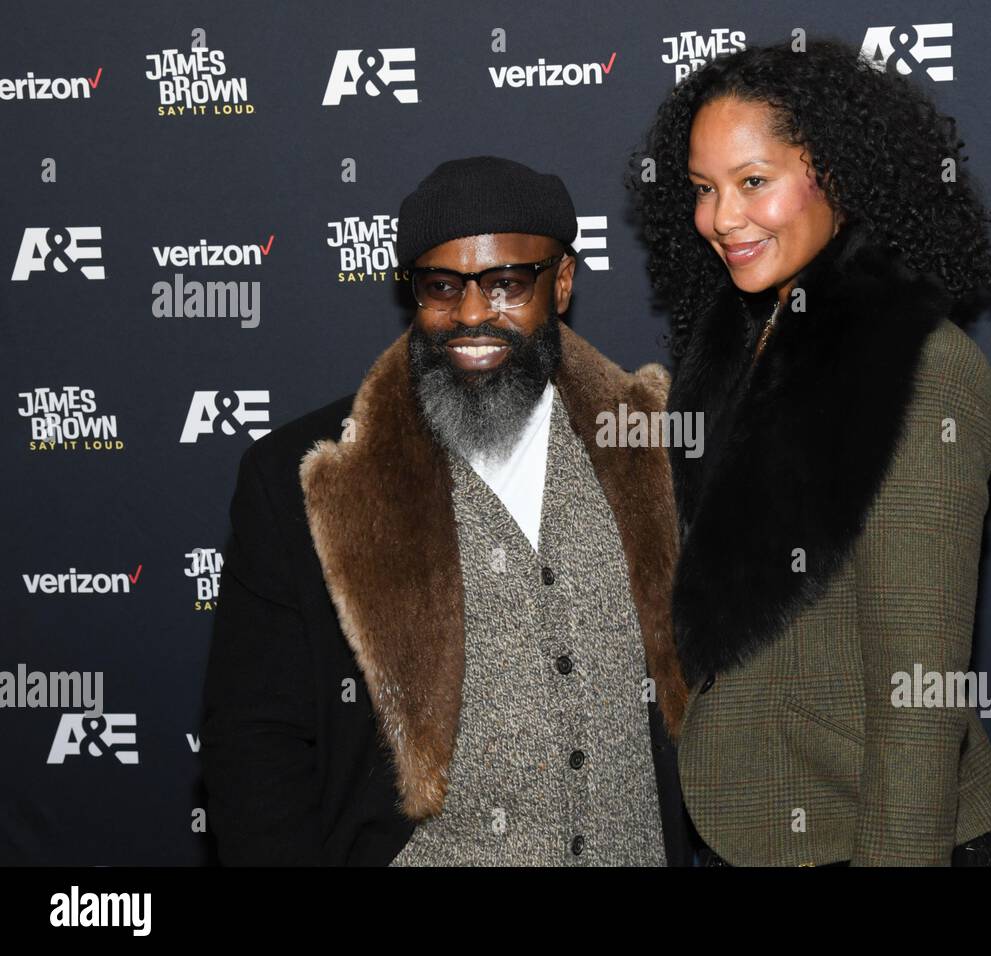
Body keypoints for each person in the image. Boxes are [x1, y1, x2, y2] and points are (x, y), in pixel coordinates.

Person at [200, 155, 690, 866]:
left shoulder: (651, 446)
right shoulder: (302, 482)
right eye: (441, 287)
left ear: (561, 283)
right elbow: (253, 746)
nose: (469, 314)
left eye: (505, 284)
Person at [626, 38, 991, 865]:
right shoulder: (744, 341)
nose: (721, 218)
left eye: (753, 182)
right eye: (703, 190)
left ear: (837, 174)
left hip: (883, 838)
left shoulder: (918, 368)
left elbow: (922, 692)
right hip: (775, 832)